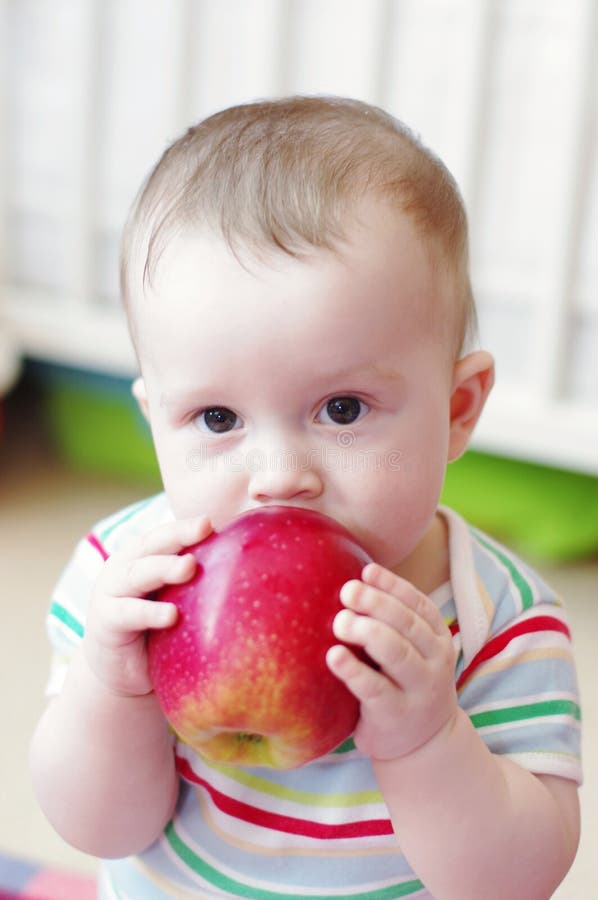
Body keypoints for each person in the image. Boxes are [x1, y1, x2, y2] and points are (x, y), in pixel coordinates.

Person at [30, 96, 581, 899]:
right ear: (155, 422)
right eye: (216, 418)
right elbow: (98, 827)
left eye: (343, 410)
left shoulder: (499, 624)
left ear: (457, 410)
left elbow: (516, 881)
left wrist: (428, 741)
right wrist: (112, 691)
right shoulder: (130, 584)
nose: (280, 475)